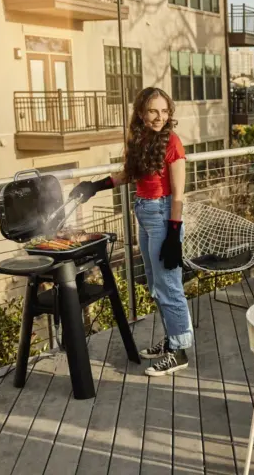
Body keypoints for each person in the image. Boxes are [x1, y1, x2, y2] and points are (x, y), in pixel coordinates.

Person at [70, 87, 192, 377]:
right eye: (153, 111)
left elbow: (177, 195)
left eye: (164, 111)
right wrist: (96, 185)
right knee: (155, 285)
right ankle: (172, 341)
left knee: (169, 287)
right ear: (141, 112)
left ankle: (179, 352)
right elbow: (130, 174)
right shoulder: (139, 141)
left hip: (164, 217)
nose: (159, 117)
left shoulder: (172, 142)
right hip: (146, 215)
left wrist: (174, 235)